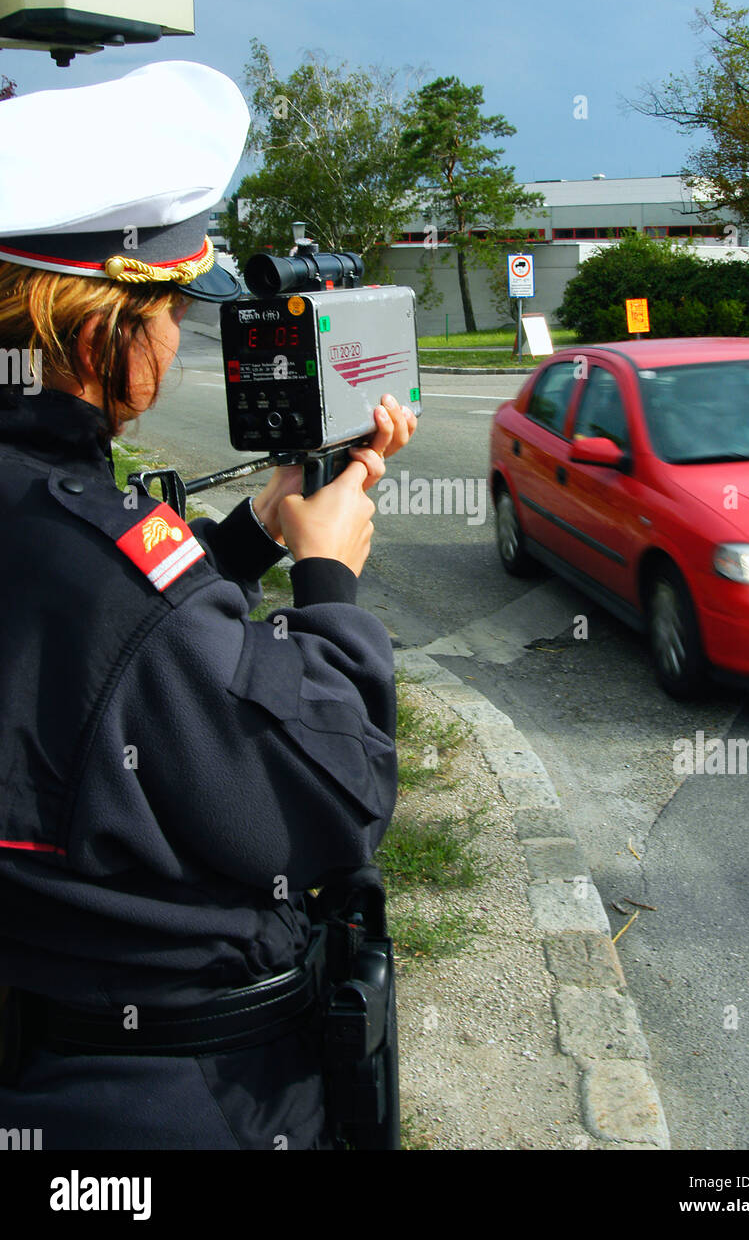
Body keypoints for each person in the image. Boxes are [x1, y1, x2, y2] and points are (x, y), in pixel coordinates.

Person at [0, 60, 416, 1149]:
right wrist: (328, 579)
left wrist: (247, 536)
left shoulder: (62, 534)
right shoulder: (103, 567)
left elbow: (86, 686)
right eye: (173, 309)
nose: (180, 339)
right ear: (97, 332)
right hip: (158, 1099)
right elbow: (330, 794)